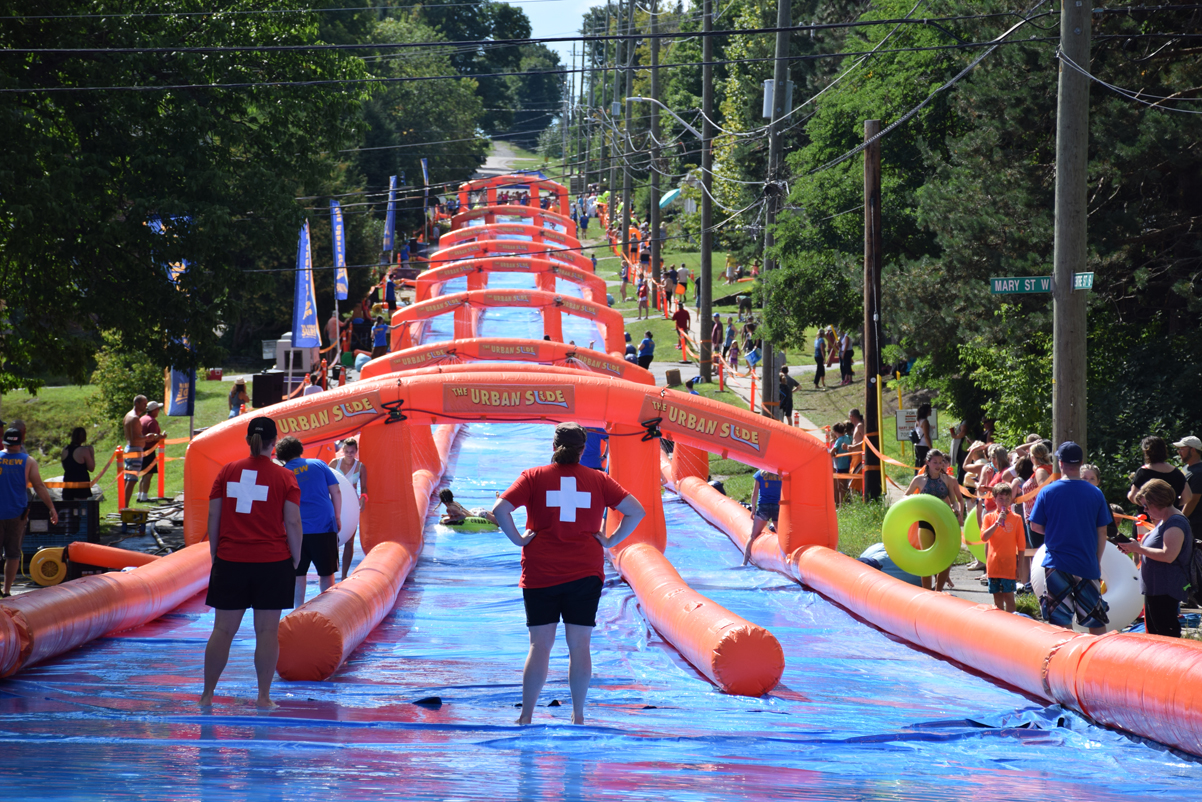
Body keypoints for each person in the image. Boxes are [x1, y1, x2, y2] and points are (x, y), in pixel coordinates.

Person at [493, 422, 646, 725]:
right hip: (584, 573)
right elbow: (636, 510)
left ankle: (526, 715)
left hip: (540, 573)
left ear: (553, 446)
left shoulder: (533, 477)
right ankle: (578, 714)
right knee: (580, 646)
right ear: (583, 449)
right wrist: (611, 540)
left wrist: (519, 539)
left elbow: (500, 510)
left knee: (539, 646)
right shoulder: (599, 480)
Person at [200, 417, 302, 708]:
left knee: (222, 631)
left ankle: (207, 696)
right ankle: (263, 697)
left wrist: (216, 553)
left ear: (247, 440)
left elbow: (213, 517)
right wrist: (295, 557)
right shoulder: (284, 477)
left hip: (231, 561)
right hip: (273, 562)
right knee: (267, 632)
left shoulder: (228, 471)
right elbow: (293, 522)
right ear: (274, 442)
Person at [1028, 442, 1113, 636]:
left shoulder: (1048, 491)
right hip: (1086, 563)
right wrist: (1097, 561)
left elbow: (1035, 526)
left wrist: (1056, 531)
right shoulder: (1096, 493)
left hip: (1057, 563)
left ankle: (1063, 662)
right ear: (1081, 463)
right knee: (1096, 618)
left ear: (1060, 462)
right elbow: (1102, 532)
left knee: (1060, 620)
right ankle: (1099, 660)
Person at [1118, 479, 1193, 638]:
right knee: (1155, 636)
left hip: (1165, 589)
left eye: (1147, 505)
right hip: (1155, 589)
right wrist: (1133, 546)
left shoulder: (1175, 523)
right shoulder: (1164, 521)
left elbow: (1168, 555)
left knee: (1166, 634)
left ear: (1159, 502)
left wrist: (1138, 549)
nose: (1145, 510)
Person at [275, 436, 342, 609]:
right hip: (324, 525)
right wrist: (338, 517)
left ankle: (298, 609)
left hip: (295, 530)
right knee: (326, 572)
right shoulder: (318, 464)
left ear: (281, 455)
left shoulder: (282, 473)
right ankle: (327, 609)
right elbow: (336, 491)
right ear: (299, 449)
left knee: (298, 573)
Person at [1, 428, 57, 598]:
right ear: (20, 443)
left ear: (4, 442)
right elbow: (39, 486)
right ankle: (7, 591)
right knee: (13, 554)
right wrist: (51, 508)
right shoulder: (28, 461)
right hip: (17, 514)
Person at [904, 449, 964, 593]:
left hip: (944, 521)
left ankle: (938, 591)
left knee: (945, 559)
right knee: (927, 558)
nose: (938, 465)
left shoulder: (948, 480)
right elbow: (905, 497)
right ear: (927, 463)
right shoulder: (919, 480)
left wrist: (957, 510)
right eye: (935, 462)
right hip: (925, 522)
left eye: (941, 462)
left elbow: (954, 501)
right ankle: (926, 592)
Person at [978, 484, 1023, 612]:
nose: (1004, 502)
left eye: (1007, 499)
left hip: (1009, 566)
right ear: (994, 500)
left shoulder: (1016, 519)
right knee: (997, 598)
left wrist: (1019, 568)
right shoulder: (988, 517)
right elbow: (984, 537)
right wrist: (997, 523)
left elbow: (1021, 546)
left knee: (1009, 597)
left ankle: (1011, 624)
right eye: (1001, 499)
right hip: (994, 565)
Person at [329, 438, 366, 580]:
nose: (349, 454)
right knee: (334, 539)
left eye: (352, 452)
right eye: (346, 452)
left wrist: (363, 497)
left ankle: (344, 575)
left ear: (356, 452)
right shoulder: (334, 463)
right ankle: (332, 572)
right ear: (342, 451)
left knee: (349, 541)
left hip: (351, 506)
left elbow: (364, 487)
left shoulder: (360, 467)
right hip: (334, 504)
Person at [1127, 435, 1186, 514]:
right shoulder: (1176, 472)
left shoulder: (1143, 472)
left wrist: (1150, 507)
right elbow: (1187, 497)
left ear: (1146, 452)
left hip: (1147, 520)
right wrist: (1170, 505)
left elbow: (1133, 497)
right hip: (1169, 517)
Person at [741, 469, 782, 566]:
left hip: (763, 506)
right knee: (781, 536)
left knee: (753, 536)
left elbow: (754, 494)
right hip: (778, 506)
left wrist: (753, 509)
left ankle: (744, 562)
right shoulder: (781, 474)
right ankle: (782, 561)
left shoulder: (760, 474)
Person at [122, 395, 150, 508]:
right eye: (144, 403)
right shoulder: (134, 418)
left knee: (127, 478)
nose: (146, 406)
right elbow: (135, 438)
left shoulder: (127, 415)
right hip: (134, 450)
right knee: (132, 480)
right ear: (137, 404)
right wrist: (148, 437)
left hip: (129, 449)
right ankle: (125, 506)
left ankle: (123, 506)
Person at [1174, 435, 1202, 541]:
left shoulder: (1199, 473)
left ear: (1193, 450)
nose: (1179, 452)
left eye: (1182, 449)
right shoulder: (1187, 467)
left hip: (1195, 524)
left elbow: (1193, 500)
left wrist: (1180, 520)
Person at [136, 401, 164, 503]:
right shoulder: (152, 422)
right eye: (158, 409)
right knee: (149, 474)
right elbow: (154, 437)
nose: (159, 411)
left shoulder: (142, 418)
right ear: (154, 410)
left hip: (140, 448)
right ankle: (144, 497)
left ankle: (140, 495)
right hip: (148, 450)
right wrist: (162, 437)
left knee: (144, 473)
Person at [60, 427, 95, 502]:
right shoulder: (84, 451)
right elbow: (91, 468)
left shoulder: (65, 449)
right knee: (80, 510)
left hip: (68, 482)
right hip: (80, 484)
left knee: (68, 509)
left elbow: (65, 466)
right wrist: (91, 453)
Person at [829, 423, 853, 504]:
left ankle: (842, 506)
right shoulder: (848, 437)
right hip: (848, 464)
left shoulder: (839, 440)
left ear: (835, 432)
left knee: (840, 487)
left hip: (841, 466)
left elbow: (831, 452)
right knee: (845, 486)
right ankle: (846, 503)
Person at [912, 403, 932, 473]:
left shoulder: (918, 421)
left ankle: (917, 478)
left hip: (918, 445)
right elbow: (926, 436)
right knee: (924, 465)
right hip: (924, 446)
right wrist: (931, 448)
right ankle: (922, 480)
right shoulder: (925, 421)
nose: (931, 411)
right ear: (926, 411)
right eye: (930, 409)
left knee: (918, 464)